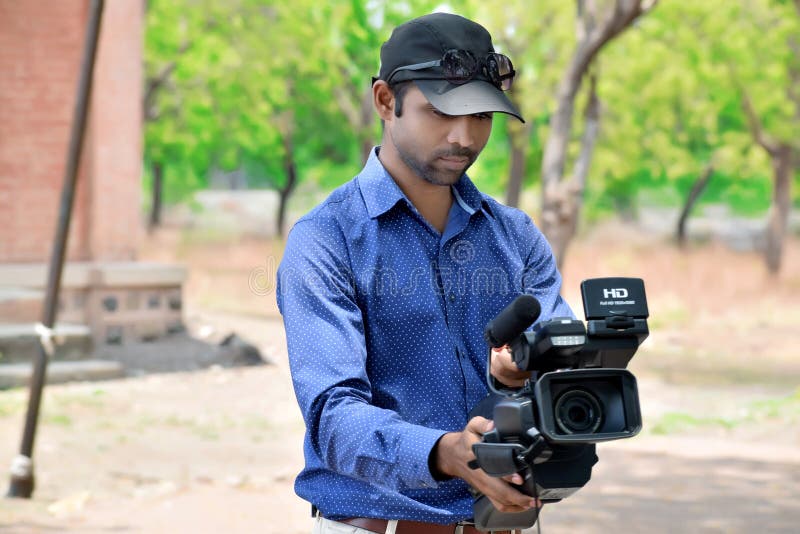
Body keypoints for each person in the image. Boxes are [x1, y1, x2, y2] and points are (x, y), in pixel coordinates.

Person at [277, 12, 574, 534]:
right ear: (385, 102)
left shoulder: (516, 237)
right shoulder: (326, 240)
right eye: (441, 111)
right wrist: (445, 452)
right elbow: (333, 416)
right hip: (377, 524)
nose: (464, 137)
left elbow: (564, 369)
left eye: (481, 115)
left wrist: (527, 371)